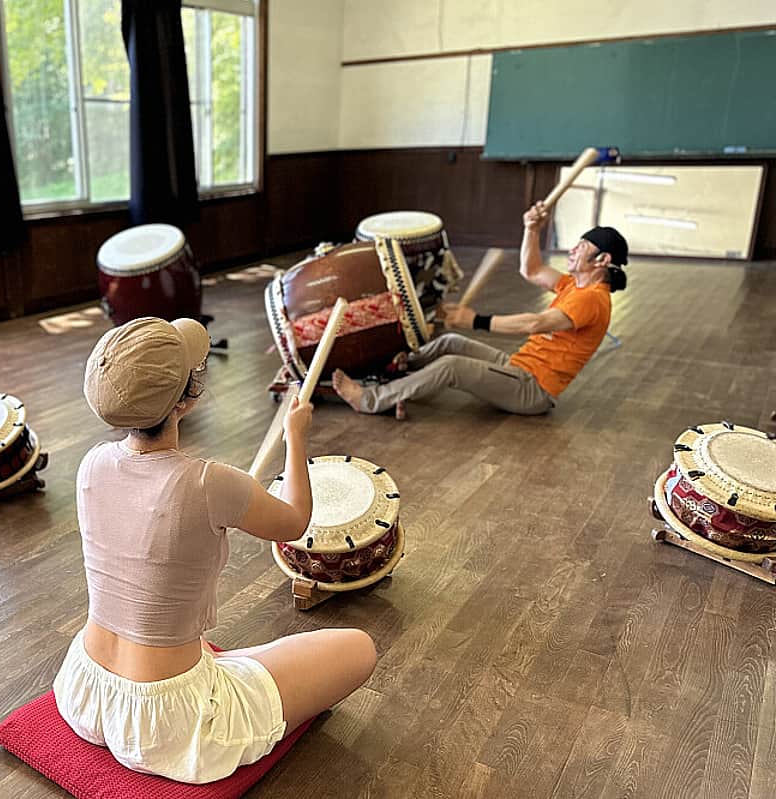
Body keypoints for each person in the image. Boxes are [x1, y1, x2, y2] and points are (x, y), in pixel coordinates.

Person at [53, 316, 376, 784]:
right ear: (186, 400)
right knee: (358, 648)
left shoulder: (92, 463)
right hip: (170, 724)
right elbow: (295, 522)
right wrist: (296, 437)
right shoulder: (209, 482)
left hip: (83, 686)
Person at [332, 202, 628, 417]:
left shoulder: (593, 298)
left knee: (452, 366)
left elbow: (535, 324)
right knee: (450, 343)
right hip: (518, 367)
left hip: (532, 388)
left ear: (602, 260)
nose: (573, 250)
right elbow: (532, 268)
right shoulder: (572, 285)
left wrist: (473, 319)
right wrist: (531, 229)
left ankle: (370, 399)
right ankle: (397, 376)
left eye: (582, 246)